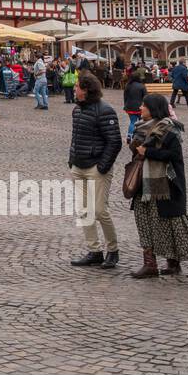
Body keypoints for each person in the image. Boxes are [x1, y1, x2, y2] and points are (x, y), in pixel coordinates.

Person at [126, 94, 188, 278]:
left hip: (166, 184)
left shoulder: (169, 129)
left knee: (167, 223)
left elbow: (173, 156)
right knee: (143, 220)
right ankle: (149, 264)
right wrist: (136, 147)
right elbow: (136, 154)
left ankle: (173, 261)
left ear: (154, 108)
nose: (140, 108)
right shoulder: (140, 128)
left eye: (144, 105)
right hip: (144, 182)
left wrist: (148, 151)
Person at [68, 73, 123, 269]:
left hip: (97, 168)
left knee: (99, 210)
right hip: (78, 166)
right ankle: (94, 250)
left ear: (86, 90)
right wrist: (71, 160)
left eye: (77, 87)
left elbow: (114, 142)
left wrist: (103, 166)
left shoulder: (105, 110)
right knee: (84, 211)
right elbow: (75, 138)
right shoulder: (77, 110)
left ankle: (113, 249)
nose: (74, 89)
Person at [122, 68, 147, 138]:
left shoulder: (127, 85)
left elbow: (125, 97)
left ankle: (129, 136)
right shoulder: (142, 86)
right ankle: (140, 136)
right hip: (140, 107)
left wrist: (126, 105)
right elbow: (145, 98)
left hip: (129, 106)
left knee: (132, 122)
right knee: (141, 122)